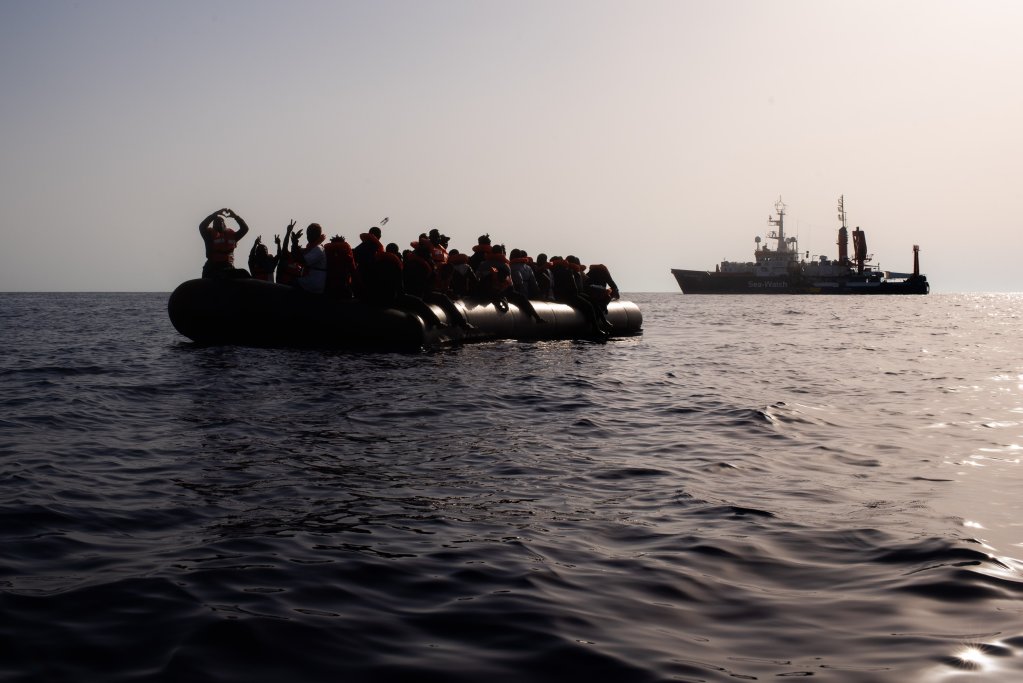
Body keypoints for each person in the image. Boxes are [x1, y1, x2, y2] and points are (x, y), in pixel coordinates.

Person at [199, 208, 250, 278]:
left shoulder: (233, 236)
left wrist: (235, 216)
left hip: (228, 267)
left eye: (220, 221)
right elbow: (202, 226)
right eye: (215, 222)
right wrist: (215, 214)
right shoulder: (209, 236)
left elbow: (245, 228)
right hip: (212, 268)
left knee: (244, 273)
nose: (218, 223)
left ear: (225, 225)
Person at [295, 223, 327, 294]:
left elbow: (302, 260)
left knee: (292, 281)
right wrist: (295, 241)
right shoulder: (313, 248)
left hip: (314, 283)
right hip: (313, 281)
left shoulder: (318, 249)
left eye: (309, 234)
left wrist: (294, 242)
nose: (308, 237)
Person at [324, 234, 357, 299]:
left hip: (329, 286)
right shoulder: (346, 251)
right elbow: (353, 270)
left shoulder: (326, 251)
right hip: (344, 285)